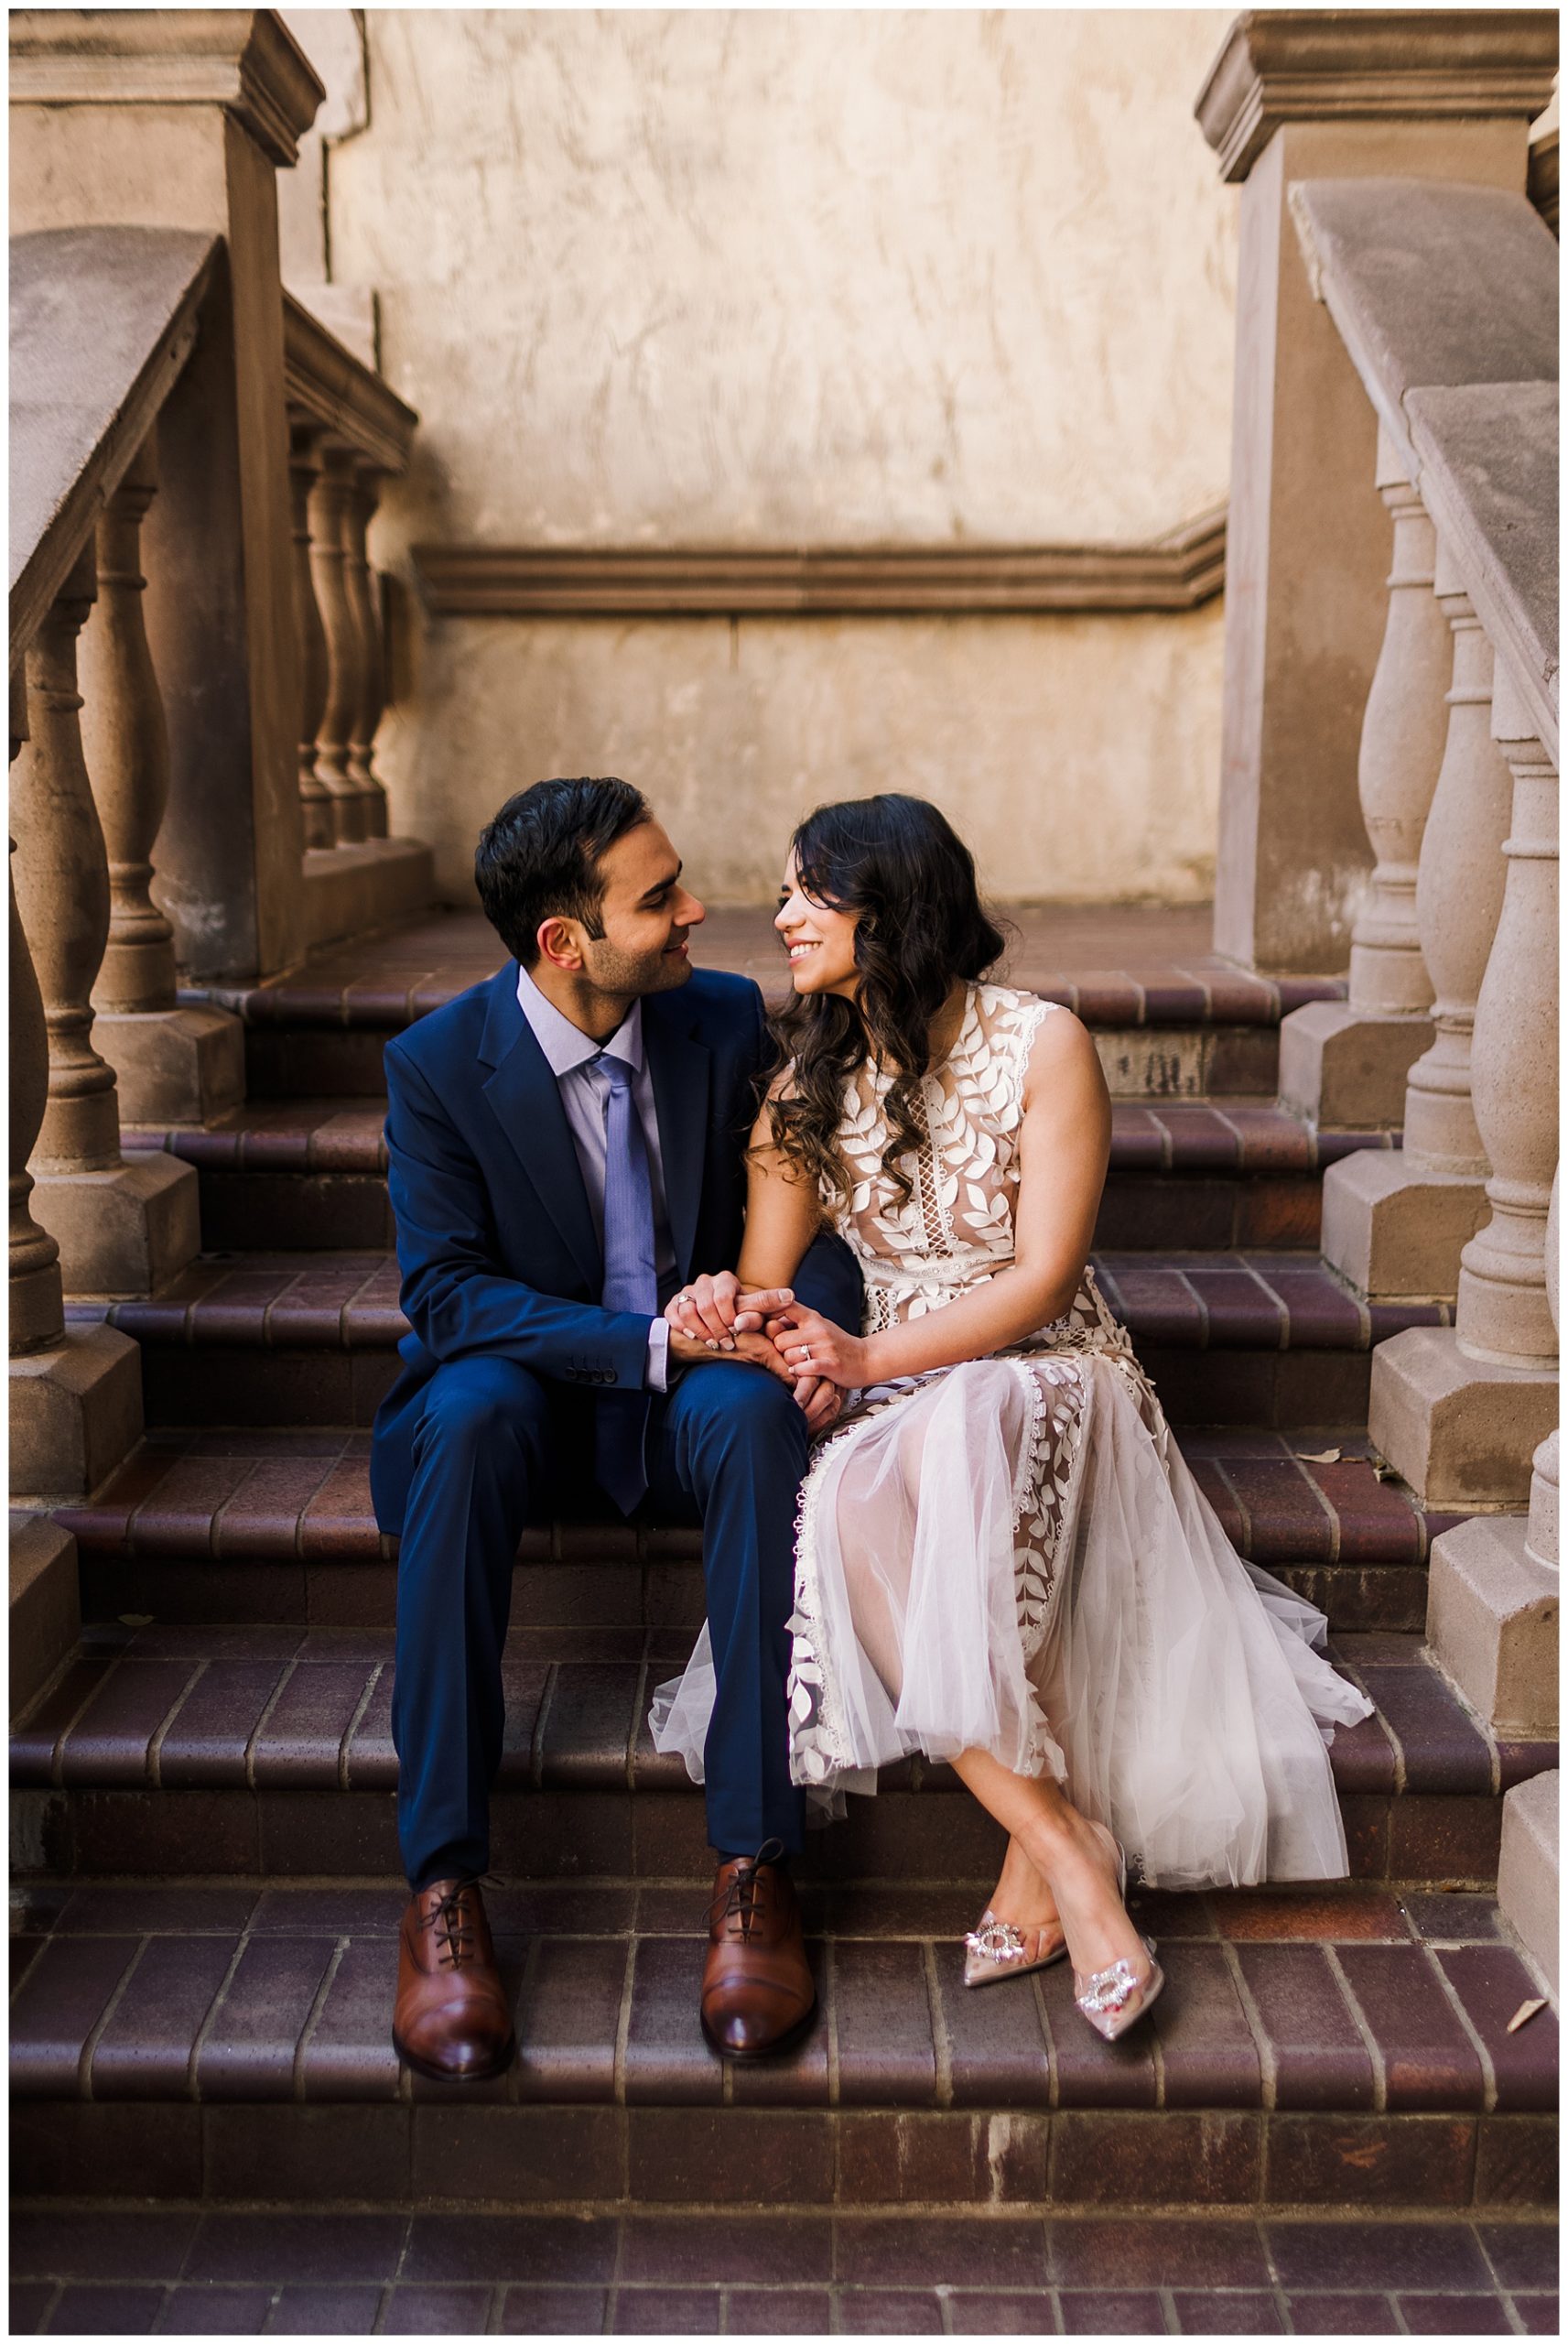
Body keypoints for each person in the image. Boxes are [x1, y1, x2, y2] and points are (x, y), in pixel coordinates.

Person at [651, 793, 1374, 2042]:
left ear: (892, 908)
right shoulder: (801, 1087)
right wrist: (726, 1311)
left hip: (1049, 1362)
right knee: (846, 1492)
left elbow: (1042, 1277)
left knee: (969, 1423)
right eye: (784, 894)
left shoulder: (1042, 1044)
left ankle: (1051, 1869)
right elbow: (769, 1286)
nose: (781, 918)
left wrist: (863, 1356)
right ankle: (1060, 1840)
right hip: (895, 1385)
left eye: (810, 893)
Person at [372, 776, 860, 2081]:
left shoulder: (720, 1020)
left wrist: (799, 1326)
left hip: (702, 1385)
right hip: (534, 1387)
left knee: (753, 1416)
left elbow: (810, 1210)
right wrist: (646, 1342)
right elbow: (448, 1295)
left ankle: (755, 1866)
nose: (696, 911)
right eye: (659, 899)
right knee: (463, 1417)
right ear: (565, 943)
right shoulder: (436, 1068)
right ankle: (442, 1889)